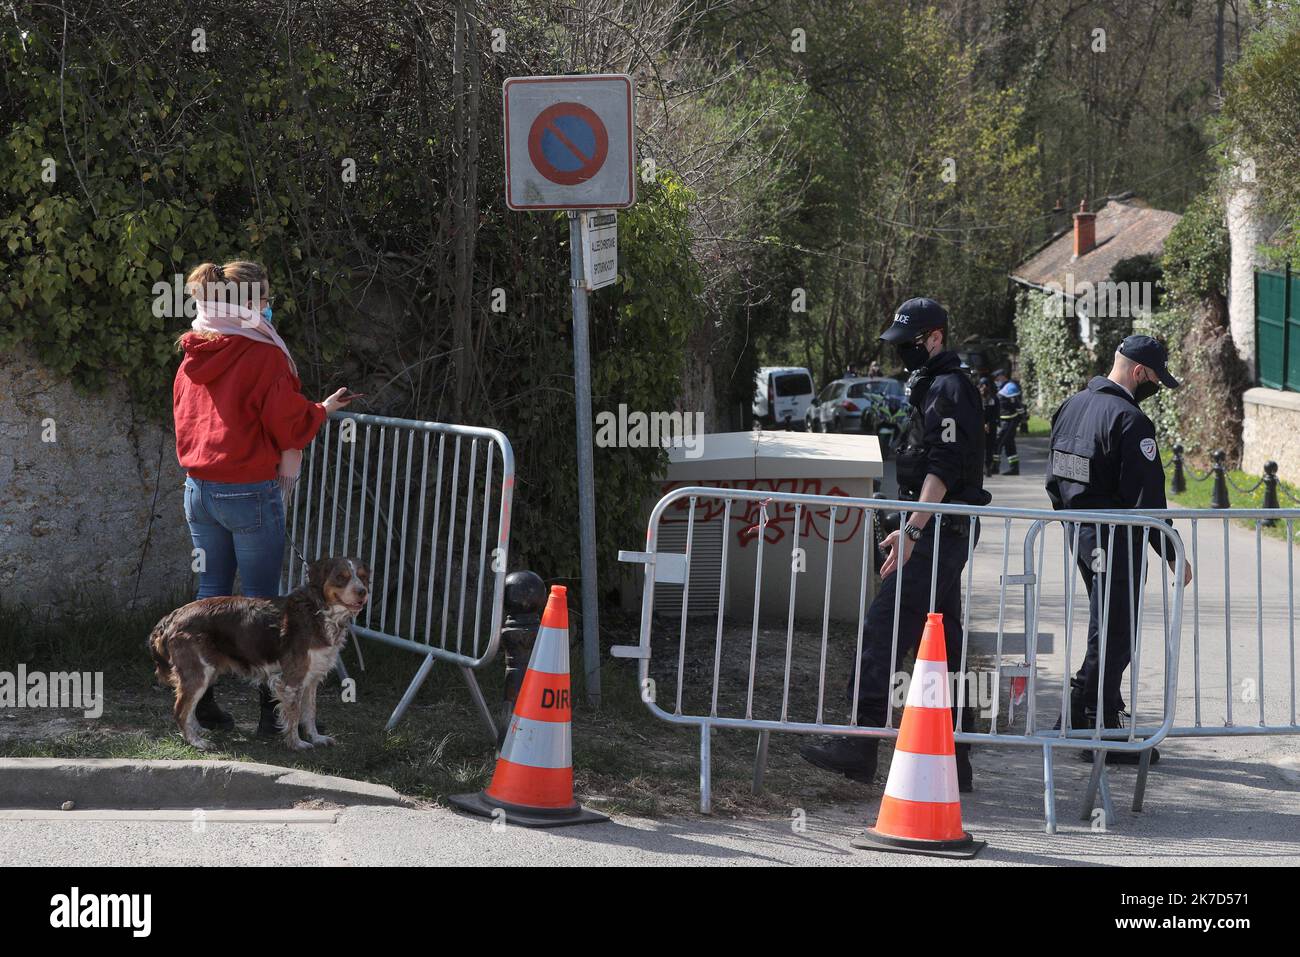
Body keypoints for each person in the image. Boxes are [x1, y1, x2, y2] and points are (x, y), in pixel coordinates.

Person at [800, 298, 989, 791]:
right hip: (938, 527)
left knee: (883, 627)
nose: (902, 351)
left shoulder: (948, 387)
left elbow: (944, 466)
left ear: (936, 338)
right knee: (944, 645)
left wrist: (912, 530)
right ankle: (957, 761)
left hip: (937, 530)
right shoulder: (933, 384)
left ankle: (860, 745)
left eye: (910, 342)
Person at [173, 260, 355, 735]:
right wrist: (320, 410)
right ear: (250, 302)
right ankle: (271, 714)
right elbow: (285, 421)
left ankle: (203, 702)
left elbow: (186, 417)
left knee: (211, 595)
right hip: (248, 488)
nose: (269, 306)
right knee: (262, 605)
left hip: (198, 487)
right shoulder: (263, 354)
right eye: (265, 297)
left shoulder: (195, 347)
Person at [1045, 335, 1193, 763]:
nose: (1155, 388)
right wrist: (1172, 551)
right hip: (1116, 538)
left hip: (1082, 534)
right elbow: (1146, 498)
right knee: (1118, 631)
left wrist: (1074, 519)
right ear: (1140, 372)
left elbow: (1055, 479)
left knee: (1105, 625)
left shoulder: (1072, 406)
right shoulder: (1130, 420)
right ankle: (1098, 726)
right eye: (1155, 379)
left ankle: (1083, 715)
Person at [993, 377, 1025, 474]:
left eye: (998, 379)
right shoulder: (1003, 389)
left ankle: (995, 467)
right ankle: (1014, 468)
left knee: (997, 443)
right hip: (1005, 421)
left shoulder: (1009, 388)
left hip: (1009, 421)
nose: (997, 381)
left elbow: (1018, 407)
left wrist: (1022, 420)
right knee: (1009, 445)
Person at [979, 376, 999, 477]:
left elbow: (996, 413)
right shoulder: (977, 398)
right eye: (982, 385)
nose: (984, 387)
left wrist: (989, 424)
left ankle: (988, 468)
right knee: (980, 448)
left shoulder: (993, 399)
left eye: (986, 385)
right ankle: (981, 468)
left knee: (990, 448)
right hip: (979, 427)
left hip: (991, 427)